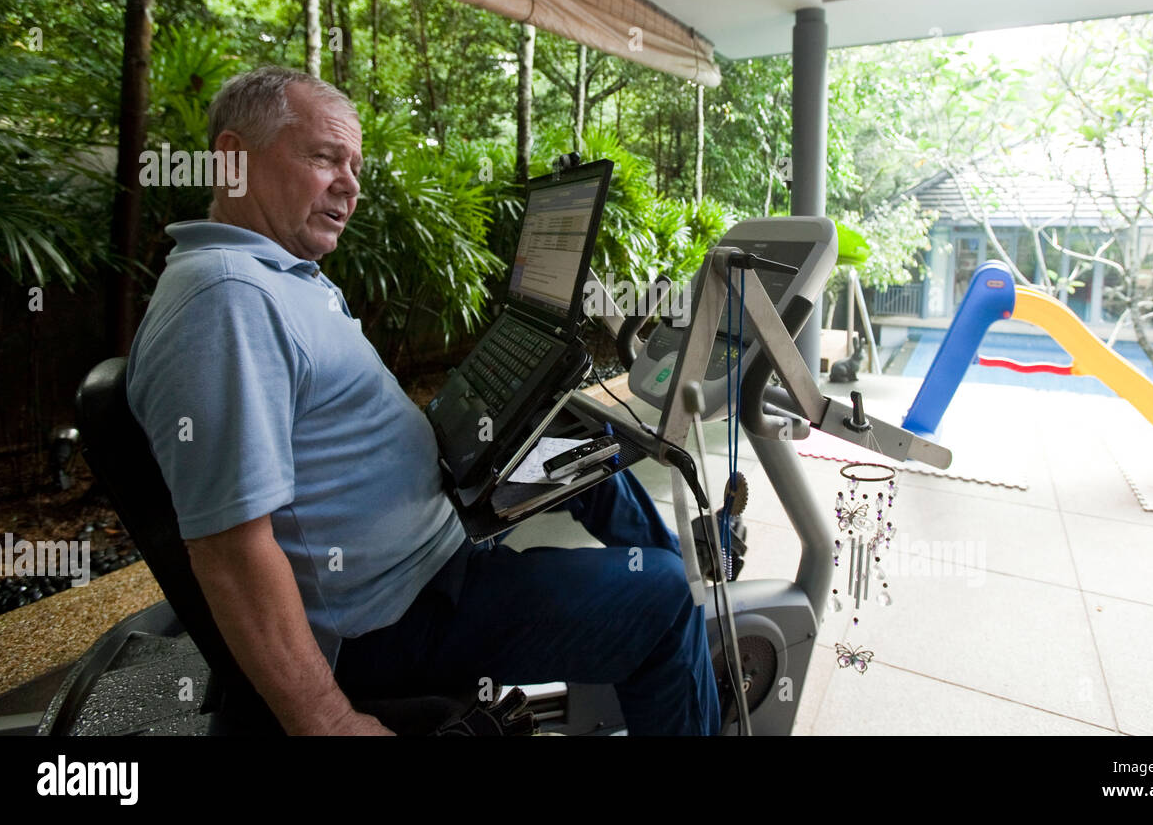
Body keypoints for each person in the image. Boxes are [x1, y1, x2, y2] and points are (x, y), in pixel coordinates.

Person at [127, 66, 719, 736]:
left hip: (432, 544)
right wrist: (329, 722)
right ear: (233, 161)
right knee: (665, 600)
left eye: (354, 165)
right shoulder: (227, 301)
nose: (349, 183)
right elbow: (230, 549)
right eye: (325, 158)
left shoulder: (277, 274)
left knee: (570, 435)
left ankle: (692, 557)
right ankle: (680, 589)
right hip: (402, 612)